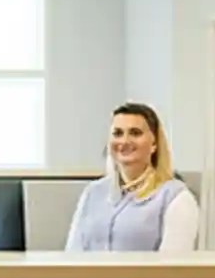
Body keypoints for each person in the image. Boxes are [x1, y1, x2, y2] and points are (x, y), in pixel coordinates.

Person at [65, 102, 200, 252]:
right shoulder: (93, 193)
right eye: (117, 133)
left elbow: (172, 270)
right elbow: (72, 255)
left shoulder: (176, 197)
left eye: (135, 133)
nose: (125, 141)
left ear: (154, 143)